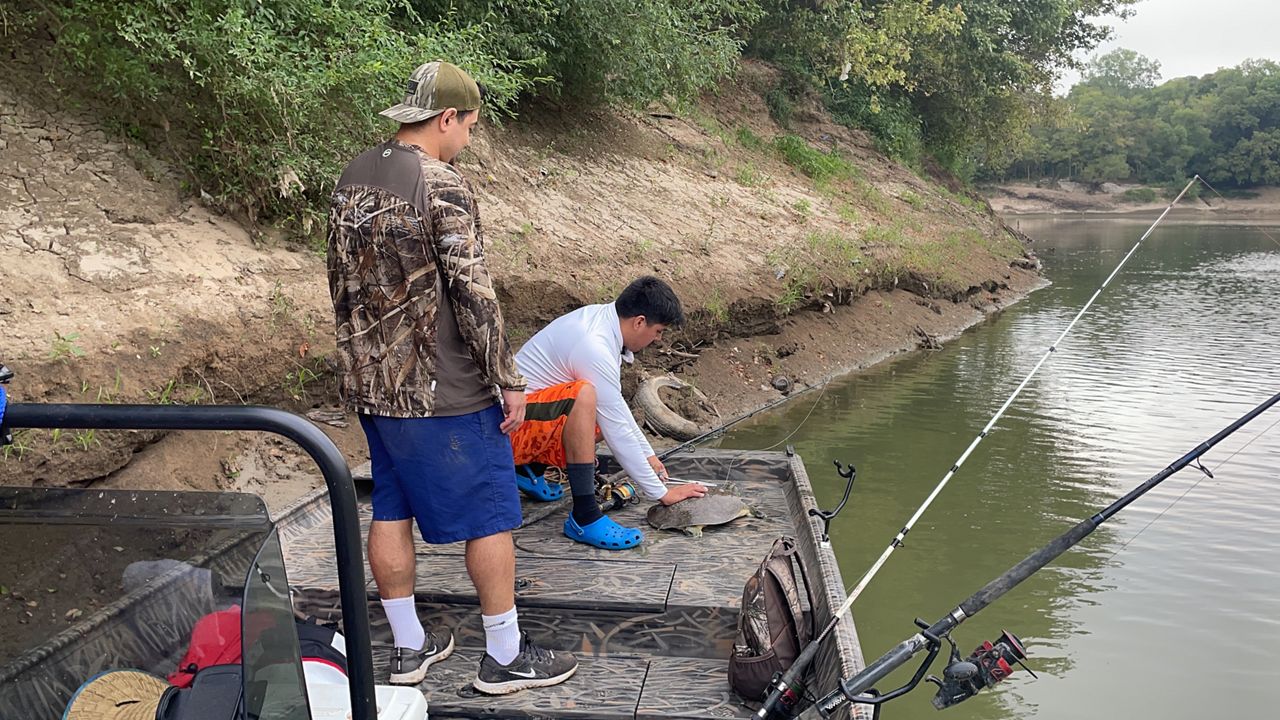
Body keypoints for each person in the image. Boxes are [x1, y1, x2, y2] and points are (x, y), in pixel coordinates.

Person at [327, 60, 576, 694]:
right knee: (491, 514)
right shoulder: (441, 185)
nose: (468, 138)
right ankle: (505, 655)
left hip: (372, 384)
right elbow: (473, 292)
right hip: (443, 389)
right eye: (468, 126)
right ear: (445, 118)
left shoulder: (352, 175)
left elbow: (340, 285)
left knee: (390, 506)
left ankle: (410, 648)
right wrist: (507, 377)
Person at [512, 276, 708, 550]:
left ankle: (529, 469)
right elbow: (616, 429)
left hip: (526, 420)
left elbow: (615, 407)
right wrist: (661, 493)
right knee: (584, 397)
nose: (658, 339)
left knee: (599, 402)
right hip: (507, 431)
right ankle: (585, 517)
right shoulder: (594, 344)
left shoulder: (603, 321)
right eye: (659, 331)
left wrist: (648, 454)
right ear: (639, 322)